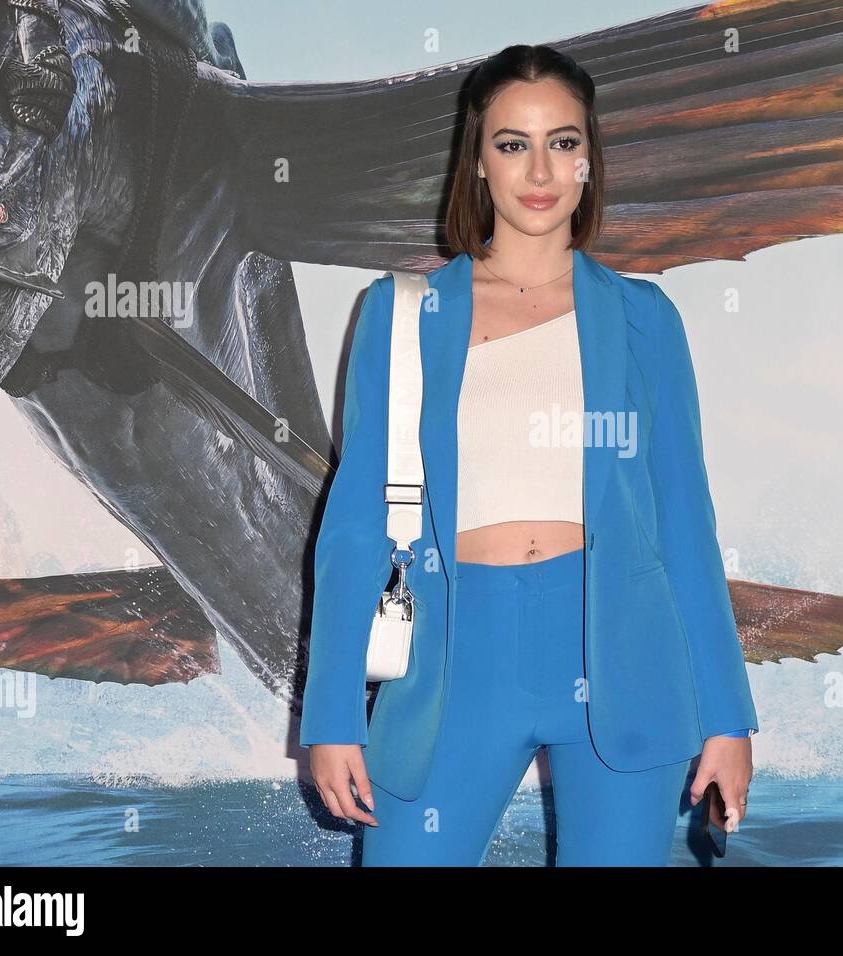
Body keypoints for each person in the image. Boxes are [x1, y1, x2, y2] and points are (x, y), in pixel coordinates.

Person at [302, 43, 758, 866]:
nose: (540, 168)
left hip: (622, 653)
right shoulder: (400, 315)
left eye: (565, 141)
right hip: (452, 659)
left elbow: (685, 524)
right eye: (513, 143)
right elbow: (353, 530)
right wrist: (332, 715)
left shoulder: (644, 317)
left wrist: (729, 716)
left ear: (590, 159)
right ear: (477, 162)